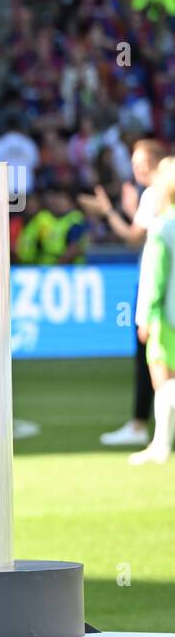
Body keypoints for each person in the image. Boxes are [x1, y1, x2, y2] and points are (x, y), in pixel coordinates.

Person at [79, 138, 167, 447]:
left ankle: (142, 425)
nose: (137, 168)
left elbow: (134, 238)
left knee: (149, 359)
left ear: (158, 161)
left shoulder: (154, 195)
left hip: (156, 286)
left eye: (141, 162)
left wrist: (110, 212)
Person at [129, 157, 175, 464]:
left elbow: (153, 278)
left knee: (164, 382)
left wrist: (143, 316)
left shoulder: (161, 228)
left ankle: (160, 445)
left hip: (166, 317)